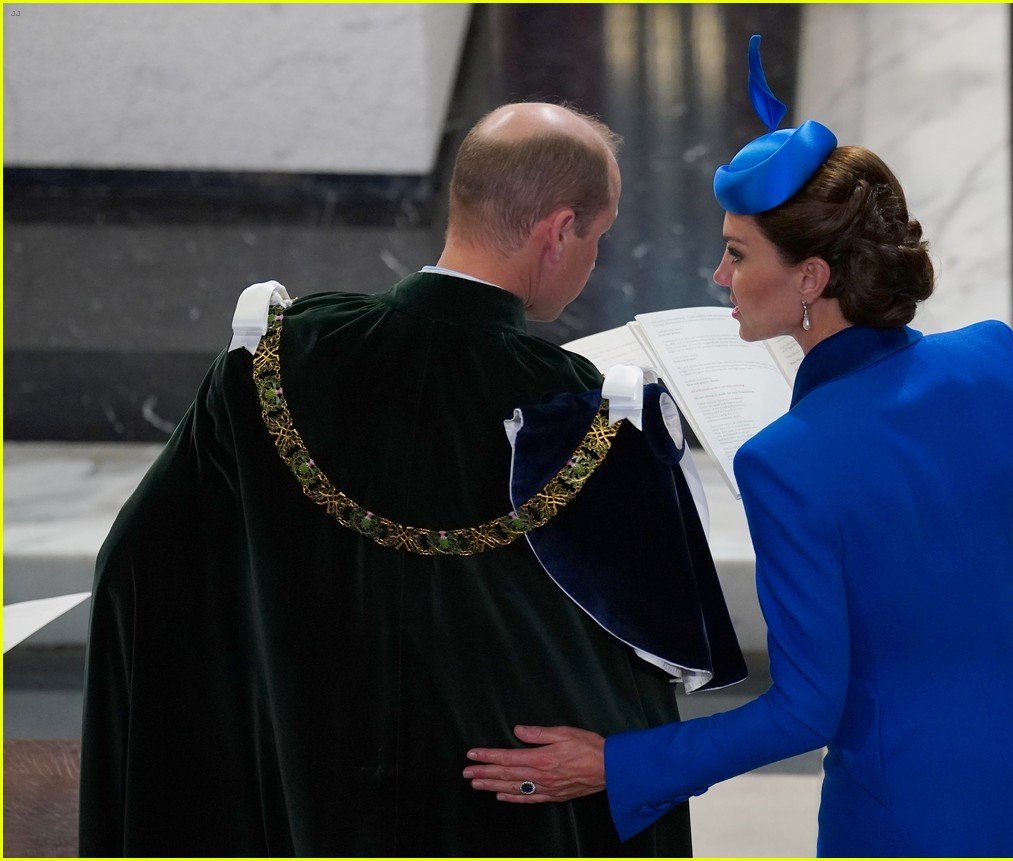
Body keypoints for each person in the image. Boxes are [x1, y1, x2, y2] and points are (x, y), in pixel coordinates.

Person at [463, 38, 1013, 857]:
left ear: (810, 277)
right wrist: (943, 546)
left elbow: (807, 707)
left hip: (903, 813)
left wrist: (618, 763)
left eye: (737, 254)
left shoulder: (786, 463)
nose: (718, 275)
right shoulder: (994, 357)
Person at [78, 102, 745, 857]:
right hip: (507, 804)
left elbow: (138, 566)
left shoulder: (274, 359)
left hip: (307, 786)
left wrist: (251, 703)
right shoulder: (587, 413)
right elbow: (641, 669)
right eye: (599, 236)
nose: (595, 257)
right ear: (559, 231)